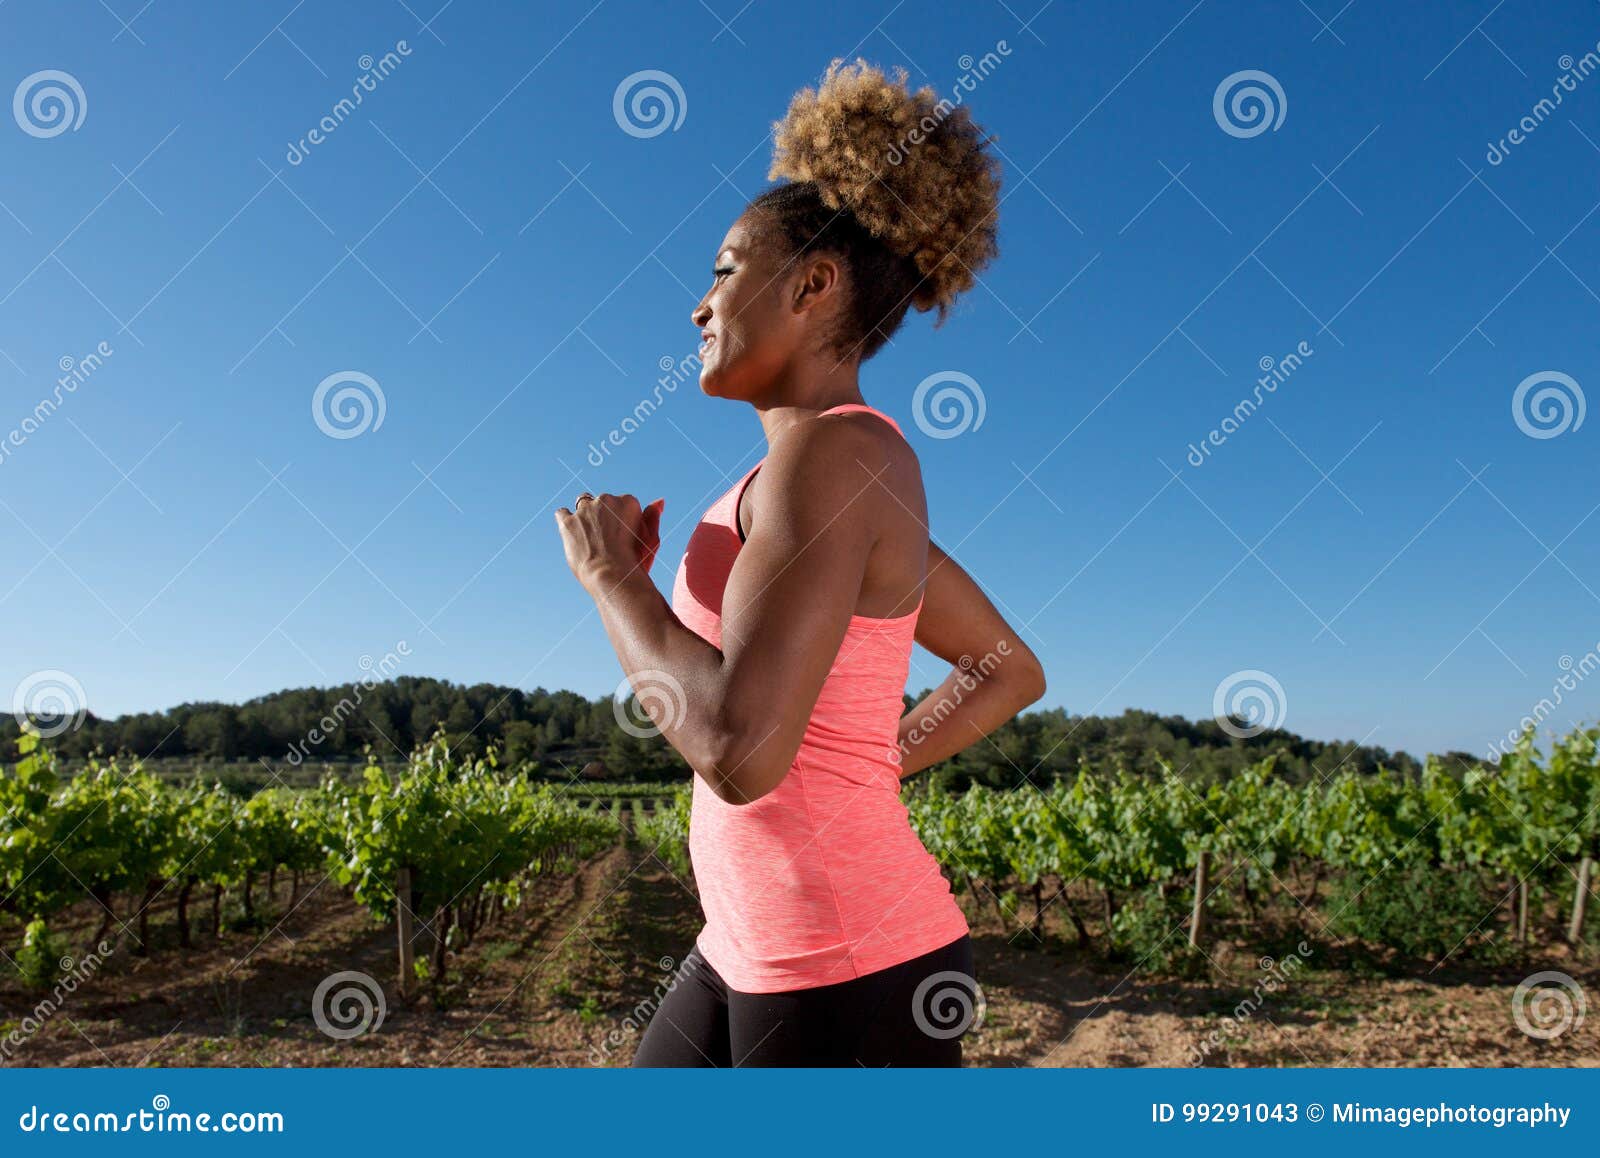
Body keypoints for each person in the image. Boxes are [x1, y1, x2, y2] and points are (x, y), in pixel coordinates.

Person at [554, 58, 1046, 1066]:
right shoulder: (817, 472)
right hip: (743, 946)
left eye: (726, 269)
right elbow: (1006, 666)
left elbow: (737, 751)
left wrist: (616, 583)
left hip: (852, 967)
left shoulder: (839, 458)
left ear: (814, 285)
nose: (699, 304)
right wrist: (869, 768)